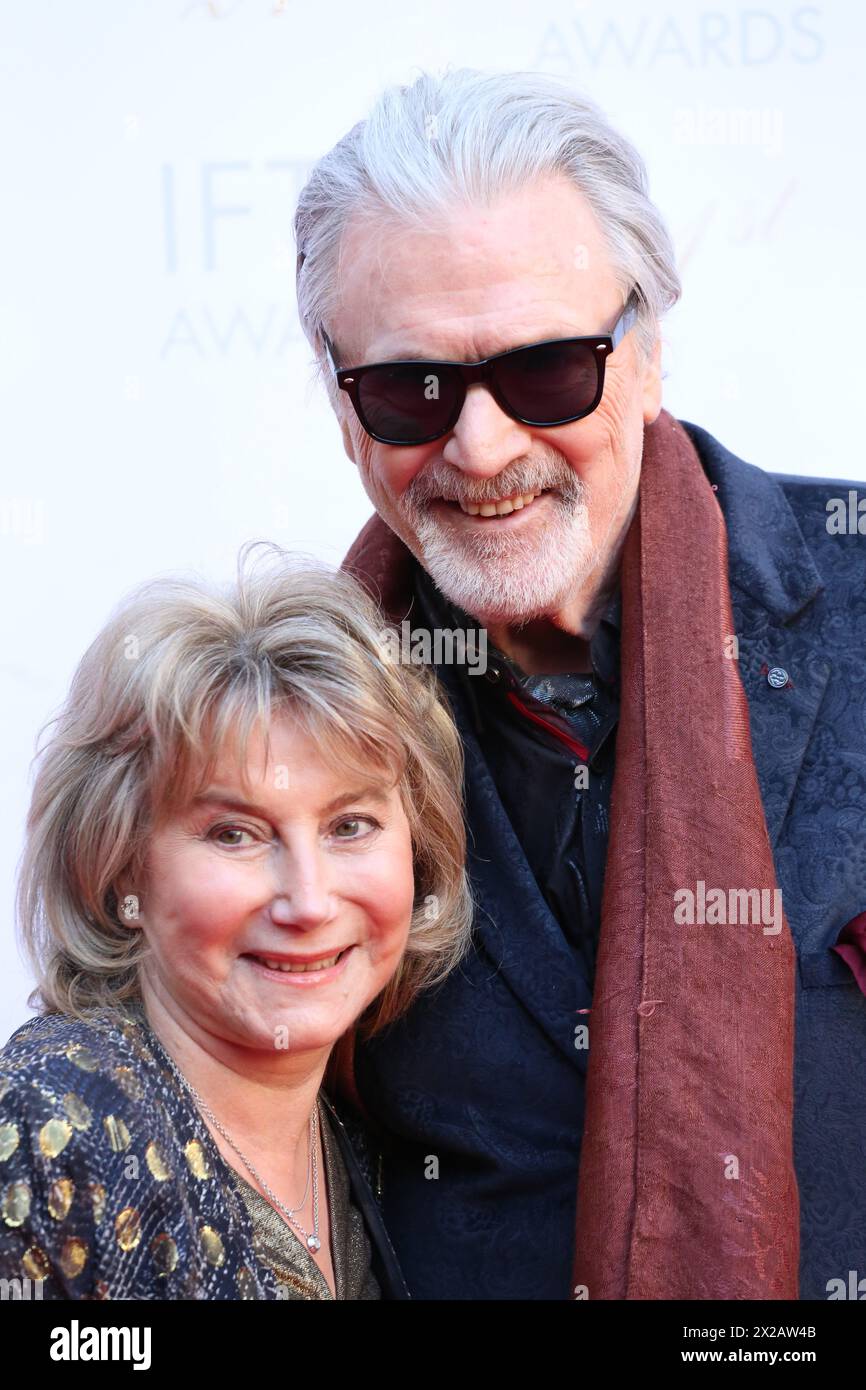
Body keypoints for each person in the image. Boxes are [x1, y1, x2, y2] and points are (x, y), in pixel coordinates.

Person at [293, 67, 866, 1300]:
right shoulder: (284, 717)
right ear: (344, 415)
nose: (481, 445)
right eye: (411, 390)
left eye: (547, 369)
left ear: (646, 357)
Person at [0, 543, 472, 1299]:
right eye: (236, 834)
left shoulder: (374, 1127)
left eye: (349, 825)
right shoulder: (57, 1118)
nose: (309, 901)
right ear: (118, 863)